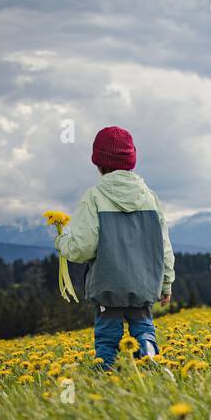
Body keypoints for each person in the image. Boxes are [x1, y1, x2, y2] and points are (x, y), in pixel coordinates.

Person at [54, 126, 175, 369]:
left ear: (98, 162)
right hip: (143, 285)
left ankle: (106, 375)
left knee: (108, 337)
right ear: (132, 160)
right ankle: (152, 365)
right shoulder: (149, 196)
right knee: (144, 329)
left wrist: (61, 242)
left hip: (108, 286)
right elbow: (163, 246)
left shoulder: (94, 196)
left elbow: (83, 248)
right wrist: (166, 282)